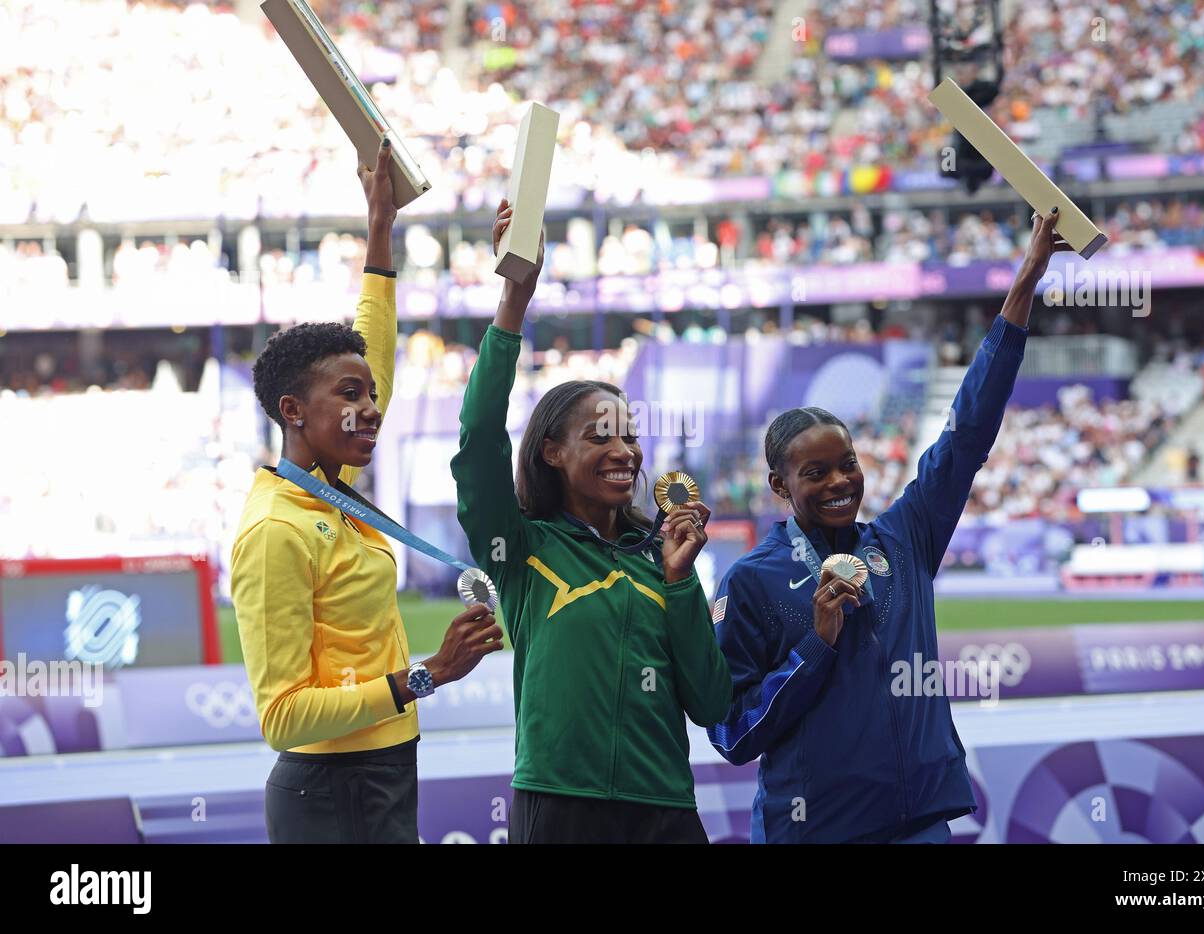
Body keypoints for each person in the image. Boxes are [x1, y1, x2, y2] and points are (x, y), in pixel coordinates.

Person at [707, 209, 1073, 844]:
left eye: (847, 465)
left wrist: (1031, 272)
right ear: (779, 486)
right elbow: (734, 734)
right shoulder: (751, 583)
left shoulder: (906, 539)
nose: (839, 483)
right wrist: (816, 645)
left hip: (920, 822)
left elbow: (969, 432)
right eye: (814, 474)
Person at [231, 140, 503, 844]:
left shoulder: (332, 488)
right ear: (294, 412)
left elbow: (372, 344)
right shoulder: (275, 529)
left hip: (383, 766)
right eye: (350, 396)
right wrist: (427, 676)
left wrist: (380, 227)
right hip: (327, 791)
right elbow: (282, 717)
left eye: (373, 395)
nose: (372, 408)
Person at [450, 198, 732, 844]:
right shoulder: (520, 549)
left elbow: (713, 706)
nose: (624, 451)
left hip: (665, 810)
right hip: (560, 806)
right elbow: (478, 438)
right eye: (600, 435)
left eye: (630, 437)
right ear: (551, 450)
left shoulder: (659, 560)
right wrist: (514, 303)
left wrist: (681, 582)